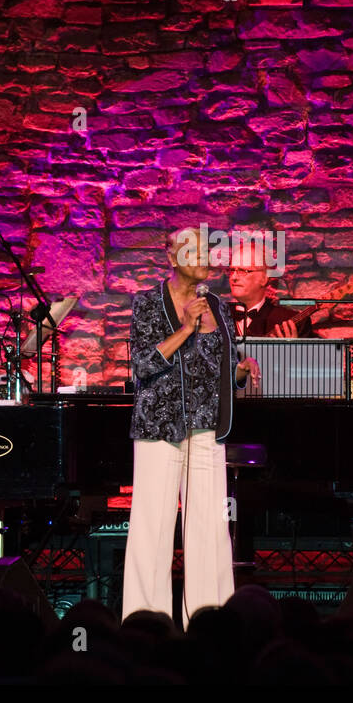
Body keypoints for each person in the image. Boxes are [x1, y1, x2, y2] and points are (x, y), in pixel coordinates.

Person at [123, 228, 260, 627]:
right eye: (195, 250)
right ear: (171, 256)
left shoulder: (217, 305)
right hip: (158, 428)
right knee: (153, 526)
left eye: (206, 250)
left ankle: (210, 620)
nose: (204, 256)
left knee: (210, 529)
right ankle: (146, 623)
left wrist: (239, 372)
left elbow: (222, 364)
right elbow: (143, 366)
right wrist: (184, 328)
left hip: (205, 428)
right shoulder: (147, 303)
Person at [228, 262, 315, 338]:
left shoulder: (293, 323)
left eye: (243, 271)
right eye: (232, 270)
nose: (233, 277)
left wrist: (292, 352)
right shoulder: (216, 317)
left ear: (264, 279)